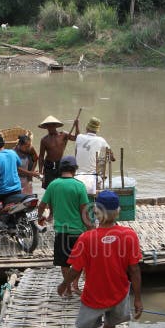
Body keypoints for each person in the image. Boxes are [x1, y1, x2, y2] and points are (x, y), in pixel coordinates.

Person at [58, 190, 143, 328]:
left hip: (94, 296)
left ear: (96, 212)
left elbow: (75, 269)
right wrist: (138, 299)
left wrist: (64, 284)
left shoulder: (87, 238)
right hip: (119, 295)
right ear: (118, 212)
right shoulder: (129, 236)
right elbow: (134, 270)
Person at [37, 156, 91, 295]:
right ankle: (75, 285)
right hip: (78, 231)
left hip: (62, 231)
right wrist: (91, 229)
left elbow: (42, 205)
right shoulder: (79, 186)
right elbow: (84, 211)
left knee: (64, 262)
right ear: (74, 169)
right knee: (79, 261)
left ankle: (67, 289)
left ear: (61, 169)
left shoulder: (53, 184)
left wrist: (40, 217)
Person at [74, 116, 115, 194]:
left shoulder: (79, 137)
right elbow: (111, 154)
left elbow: (78, 138)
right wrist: (112, 158)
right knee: (101, 175)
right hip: (92, 176)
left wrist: (76, 126)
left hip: (77, 175)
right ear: (97, 130)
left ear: (87, 128)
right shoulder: (101, 140)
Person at [38, 115, 79, 189]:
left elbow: (76, 138)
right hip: (49, 165)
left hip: (60, 164)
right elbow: (41, 156)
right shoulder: (44, 140)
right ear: (46, 127)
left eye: (52, 126)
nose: (50, 128)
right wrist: (40, 171)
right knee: (49, 186)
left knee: (61, 185)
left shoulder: (63, 135)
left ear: (55, 126)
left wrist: (76, 125)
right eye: (48, 126)